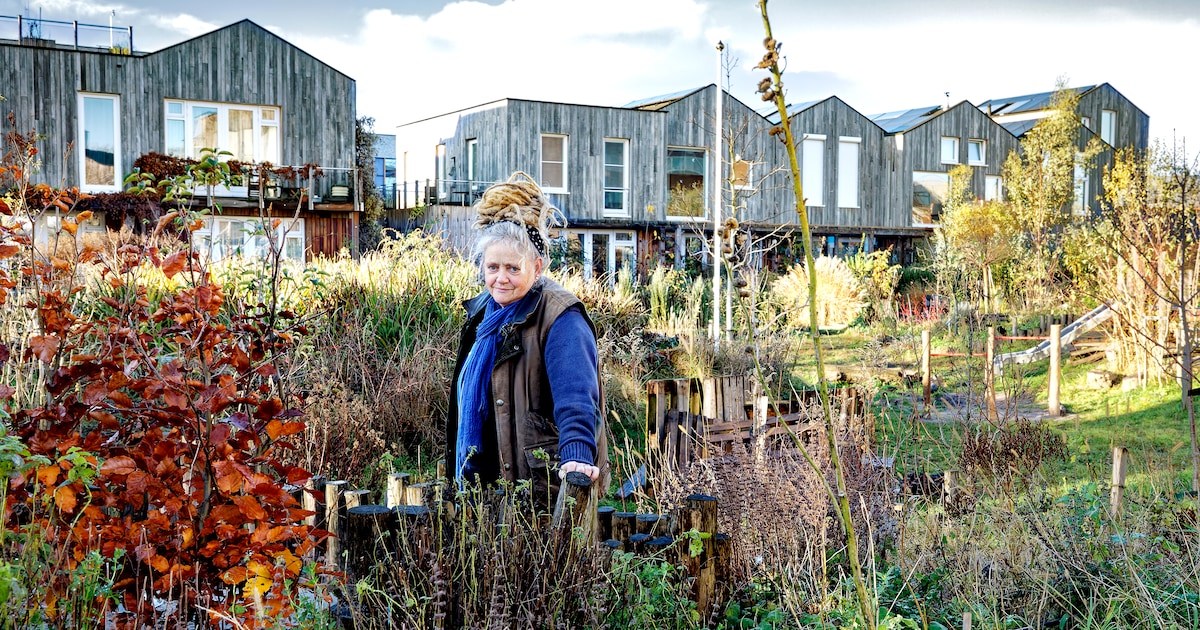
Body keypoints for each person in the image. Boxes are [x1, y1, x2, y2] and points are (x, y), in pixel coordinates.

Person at [445, 171, 608, 505]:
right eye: (492, 267)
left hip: (542, 492)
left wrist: (576, 454)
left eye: (512, 268)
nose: (500, 279)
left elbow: (577, 396)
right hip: (488, 490)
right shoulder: (482, 314)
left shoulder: (561, 317)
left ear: (537, 266)